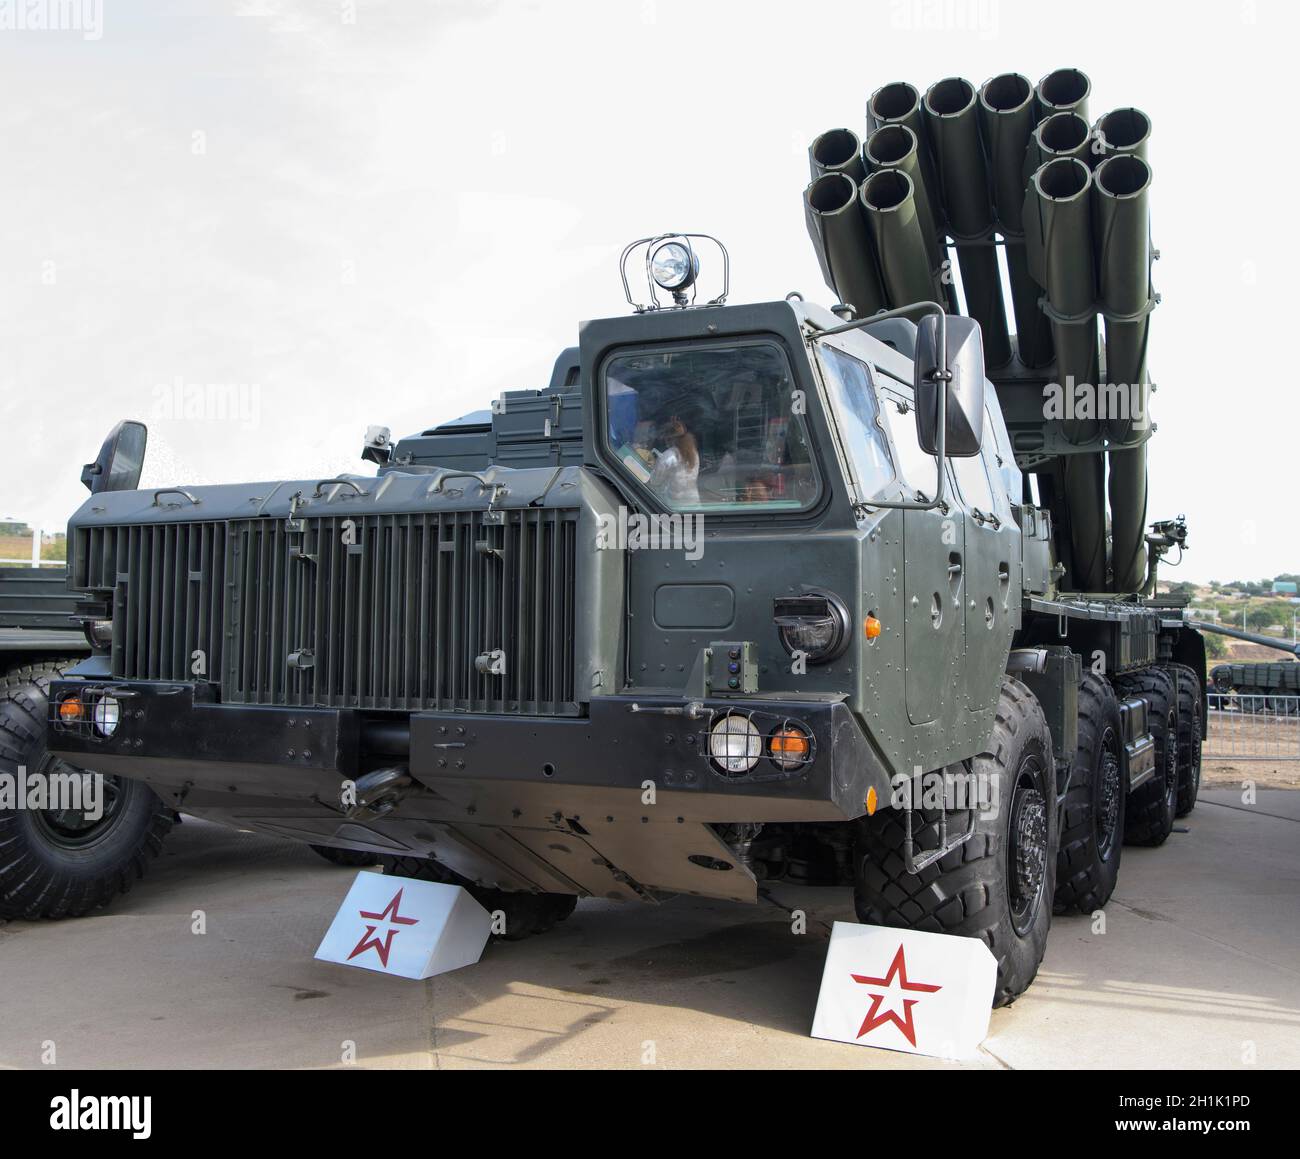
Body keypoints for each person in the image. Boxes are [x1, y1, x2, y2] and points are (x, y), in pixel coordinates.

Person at [648, 413, 700, 506]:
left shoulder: (669, 456)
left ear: (669, 438)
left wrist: (653, 466)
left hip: (674, 505)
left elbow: (654, 481)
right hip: (694, 502)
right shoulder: (694, 453)